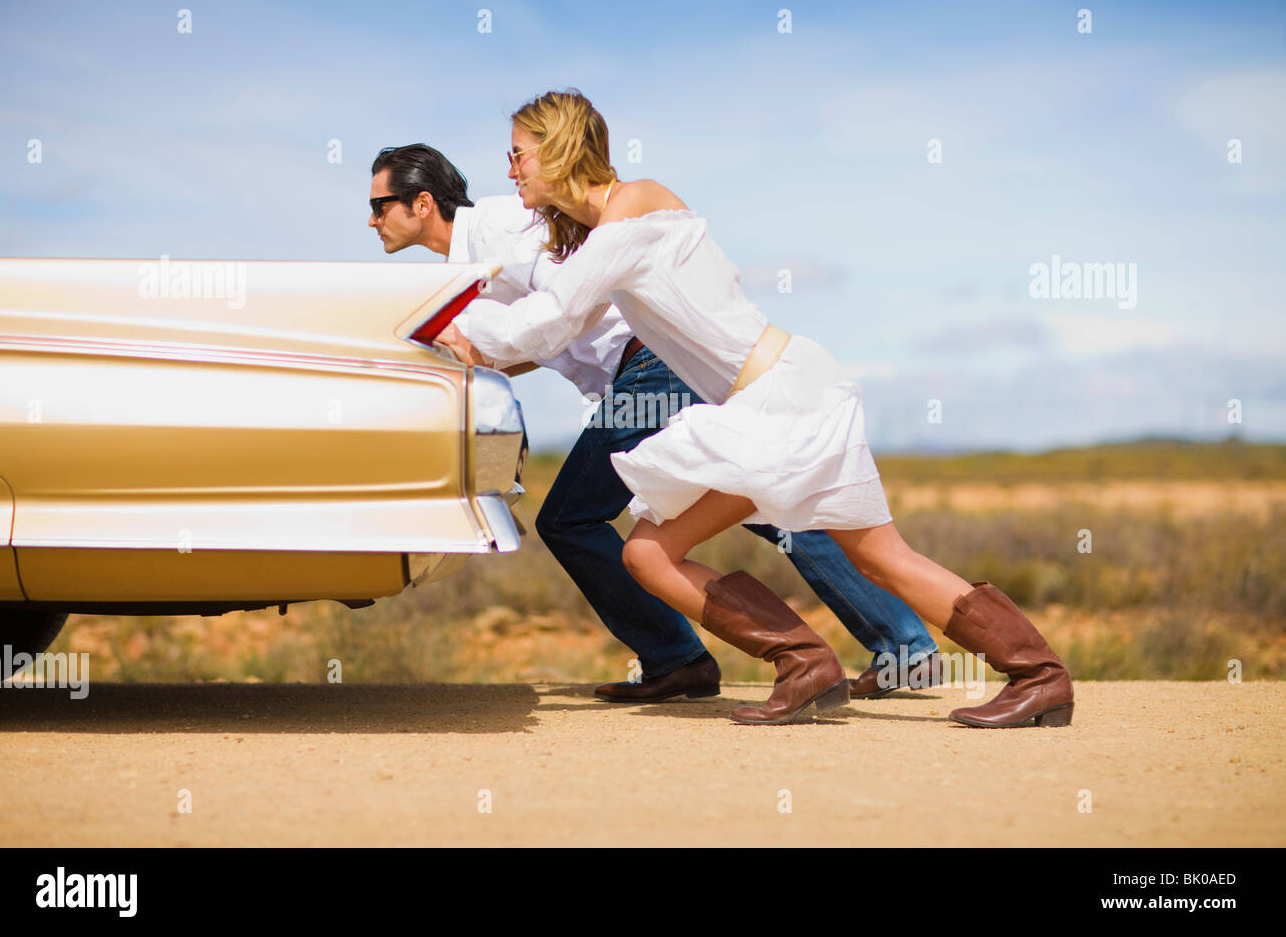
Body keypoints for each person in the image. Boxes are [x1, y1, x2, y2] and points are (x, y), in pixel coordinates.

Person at [437, 90, 1075, 727]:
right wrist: (482, 343)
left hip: (779, 403)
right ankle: (1037, 676)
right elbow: (556, 317)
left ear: (557, 148)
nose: (511, 169)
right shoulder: (608, 230)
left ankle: (807, 664)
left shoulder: (633, 208)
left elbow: (553, 316)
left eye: (518, 154)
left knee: (650, 554)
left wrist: (464, 339)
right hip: (794, 390)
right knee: (882, 557)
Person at [368, 143, 942, 702]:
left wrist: (500, 340)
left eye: (380, 206)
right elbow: (538, 342)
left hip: (652, 367)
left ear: (421, 204)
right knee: (767, 499)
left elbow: (572, 302)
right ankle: (904, 647)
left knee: (571, 519)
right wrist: (475, 362)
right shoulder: (466, 269)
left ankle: (679, 658)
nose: (372, 221)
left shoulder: (499, 225)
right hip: (656, 368)